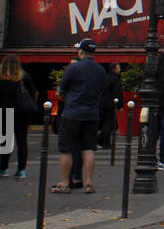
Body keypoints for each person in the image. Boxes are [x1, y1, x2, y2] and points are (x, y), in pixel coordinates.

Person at [52, 39, 106, 195]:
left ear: (81, 51)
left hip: (73, 112)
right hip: (92, 114)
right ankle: (88, 182)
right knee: (88, 149)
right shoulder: (100, 70)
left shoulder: (73, 68)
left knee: (66, 150)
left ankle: (64, 182)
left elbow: (61, 90)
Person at [0, 56, 36, 178]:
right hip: (22, 112)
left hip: (5, 111)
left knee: (5, 142)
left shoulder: (0, 79)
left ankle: (3, 168)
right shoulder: (24, 78)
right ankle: (21, 169)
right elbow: (32, 93)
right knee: (22, 140)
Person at [97, 61, 123, 149]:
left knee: (107, 121)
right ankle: (104, 141)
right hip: (110, 102)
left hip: (102, 101)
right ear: (114, 69)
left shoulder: (105, 77)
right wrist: (120, 105)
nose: (120, 69)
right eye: (119, 68)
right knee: (110, 122)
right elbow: (117, 92)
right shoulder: (115, 78)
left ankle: (101, 139)